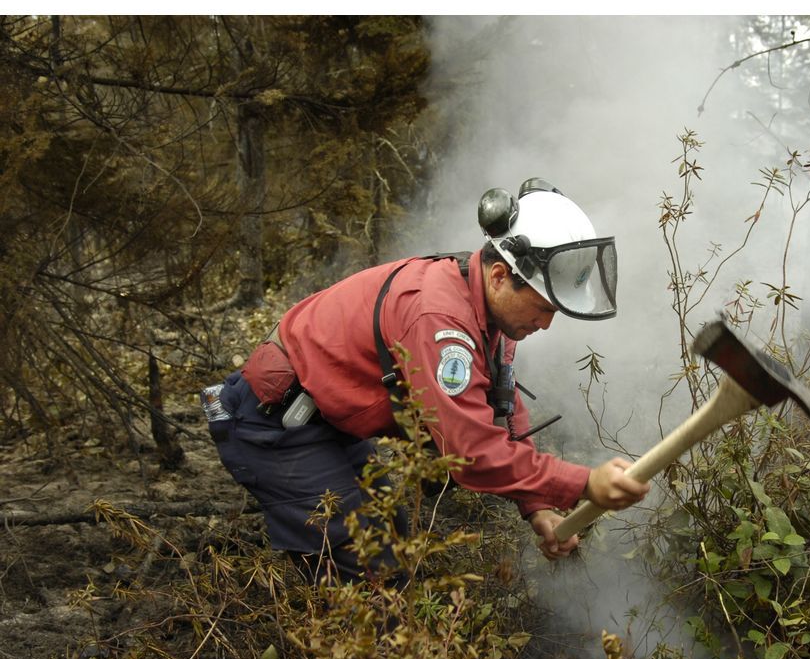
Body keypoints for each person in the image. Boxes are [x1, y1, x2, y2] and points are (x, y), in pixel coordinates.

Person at [203, 178, 649, 585]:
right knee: (371, 570)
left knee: (394, 533)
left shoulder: (490, 312)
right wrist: (583, 483)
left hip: (330, 422)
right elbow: (472, 454)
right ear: (500, 276)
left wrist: (539, 508)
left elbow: (502, 409)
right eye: (543, 308)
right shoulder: (441, 319)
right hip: (273, 424)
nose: (546, 324)